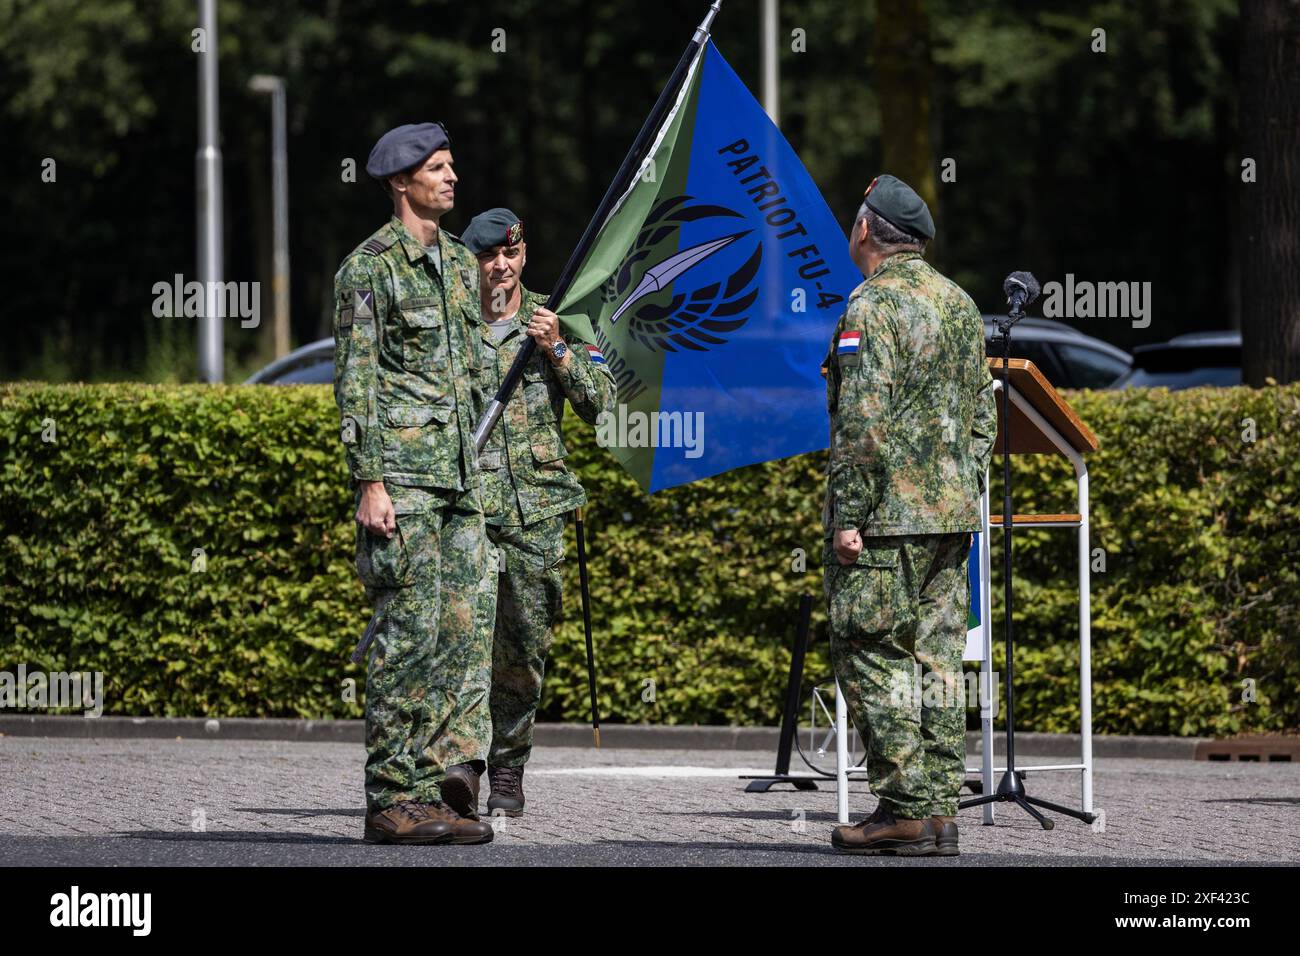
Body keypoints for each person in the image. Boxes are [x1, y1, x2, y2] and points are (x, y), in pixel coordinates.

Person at [822, 174, 997, 856]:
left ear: (866, 230)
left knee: (870, 650)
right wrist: (961, 480)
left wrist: (849, 516)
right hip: (951, 516)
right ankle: (941, 813)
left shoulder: (870, 305)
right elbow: (984, 410)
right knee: (939, 660)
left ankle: (901, 808)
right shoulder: (959, 303)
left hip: (887, 521)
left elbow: (861, 424)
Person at [332, 122, 497, 845]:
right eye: (437, 168)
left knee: (465, 635)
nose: (451, 177)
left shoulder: (462, 265)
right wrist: (369, 480)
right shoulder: (369, 269)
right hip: (404, 479)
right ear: (402, 182)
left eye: (452, 165)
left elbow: (473, 375)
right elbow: (355, 383)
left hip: (462, 479)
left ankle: (447, 786)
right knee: (408, 636)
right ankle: (392, 795)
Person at [460, 207, 617, 817]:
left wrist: (557, 351)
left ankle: (507, 769)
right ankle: (462, 767)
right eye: (489, 256)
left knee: (522, 651)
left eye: (511, 254)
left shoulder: (559, 318)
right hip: (467, 510)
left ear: (523, 255)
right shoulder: (452, 325)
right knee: (461, 645)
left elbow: (601, 404)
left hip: (536, 514)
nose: (501, 266)